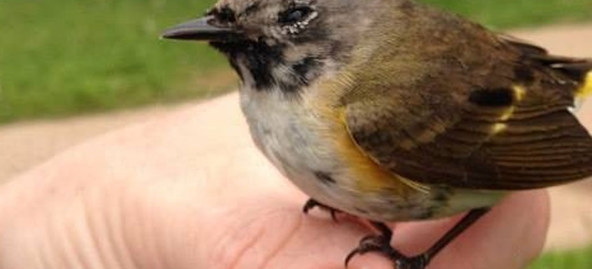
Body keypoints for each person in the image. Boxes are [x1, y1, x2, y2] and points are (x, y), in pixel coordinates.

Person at [0, 94, 550, 269]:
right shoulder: (275, 113)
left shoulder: (370, 113)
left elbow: (500, 180)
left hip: (499, 147)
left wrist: (418, 259)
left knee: (485, 203)